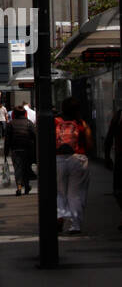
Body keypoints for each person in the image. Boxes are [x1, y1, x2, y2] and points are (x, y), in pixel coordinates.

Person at [55, 97, 93, 234]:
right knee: (75, 194)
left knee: (59, 192)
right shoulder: (81, 123)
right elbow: (89, 144)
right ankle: (75, 225)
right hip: (78, 159)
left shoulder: (55, 121)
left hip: (58, 159)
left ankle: (59, 218)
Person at [4, 104, 36, 195]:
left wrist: (6, 152)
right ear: (25, 113)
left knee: (18, 169)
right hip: (28, 150)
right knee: (26, 168)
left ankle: (19, 186)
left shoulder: (11, 124)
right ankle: (26, 186)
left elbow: (7, 140)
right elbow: (35, 136)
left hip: (15, 150)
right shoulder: (29, 123)